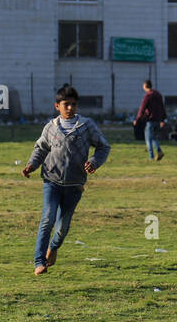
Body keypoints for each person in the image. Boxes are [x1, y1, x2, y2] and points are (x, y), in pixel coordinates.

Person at [21, 85, 111, 275]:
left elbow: (104, 147)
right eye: (66, 104)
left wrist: (94, 161)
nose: (70, 108)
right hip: (51, 182)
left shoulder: (86, 126)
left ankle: (53, 248)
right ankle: (39, 261)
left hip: (74, 185)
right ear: (57, 106)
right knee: (47, 219)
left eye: (73, 104)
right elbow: (41, 149)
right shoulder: (51, 128)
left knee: (62, 227)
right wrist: (31, 165)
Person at [134, 80, 166, 162]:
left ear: (145, 86)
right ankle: (159, 151)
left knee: (148, 139)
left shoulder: (148, 96)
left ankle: (151, 157)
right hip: (158, 119)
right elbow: (162, 107)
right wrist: (163, 119)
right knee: (154, 137)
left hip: (150, 120)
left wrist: (137, 119)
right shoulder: (158, 94)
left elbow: (142, 108)